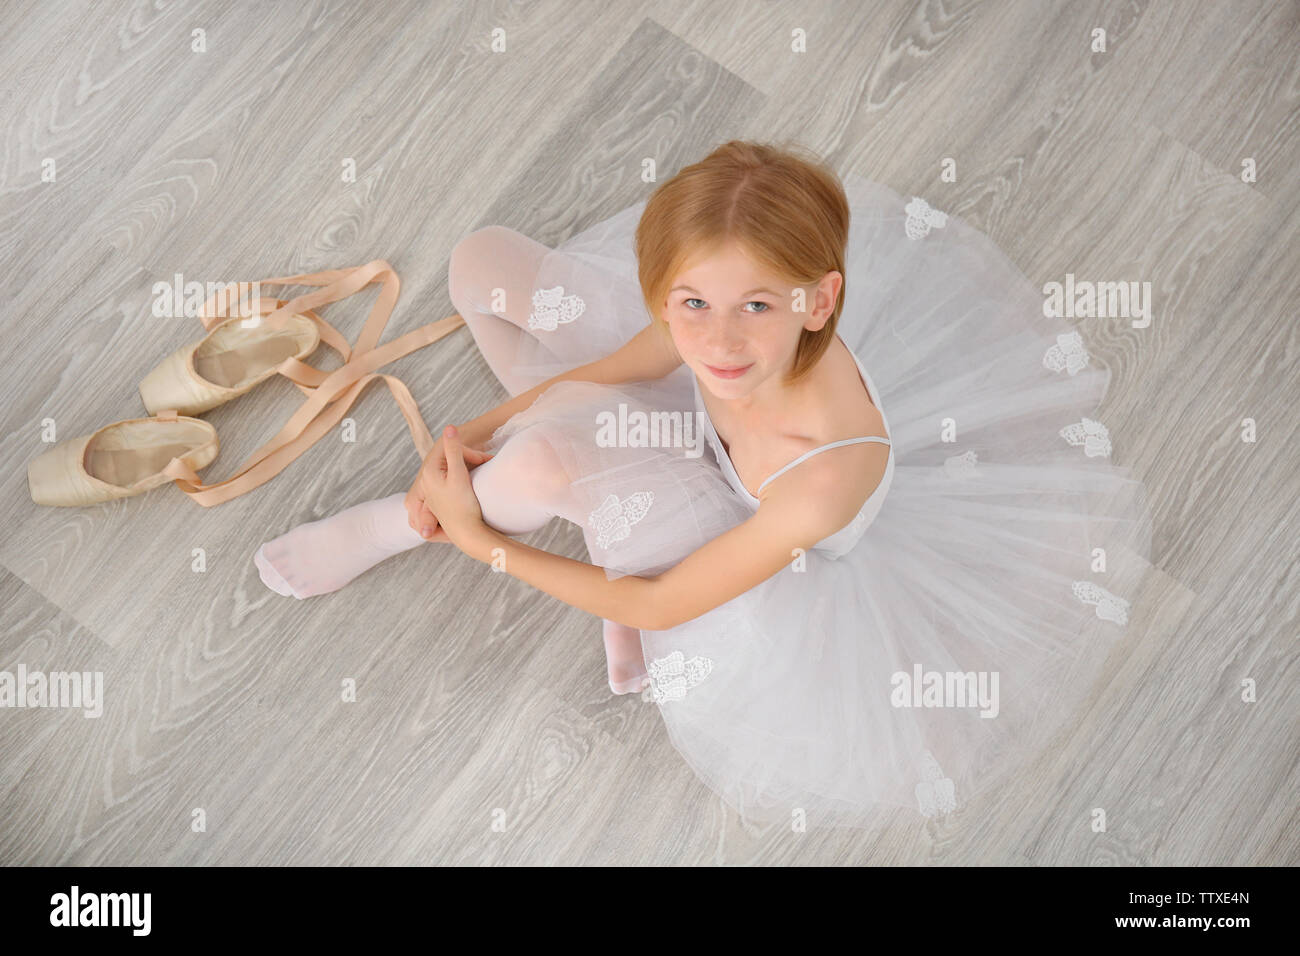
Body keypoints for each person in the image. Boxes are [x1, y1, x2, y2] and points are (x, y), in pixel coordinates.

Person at [254, 140, 1154, 827]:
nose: (719, 342)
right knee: (478, 263)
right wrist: (471, 431)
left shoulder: (825, 478)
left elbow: (667, 606)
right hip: (683, 423)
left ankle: (408, 527)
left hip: (736, 527)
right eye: (692, 303)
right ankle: (581, 509)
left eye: (757, 305)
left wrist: (482, 539)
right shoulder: (701, 340)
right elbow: (625, 363)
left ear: (819, 301)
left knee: (538, 465)